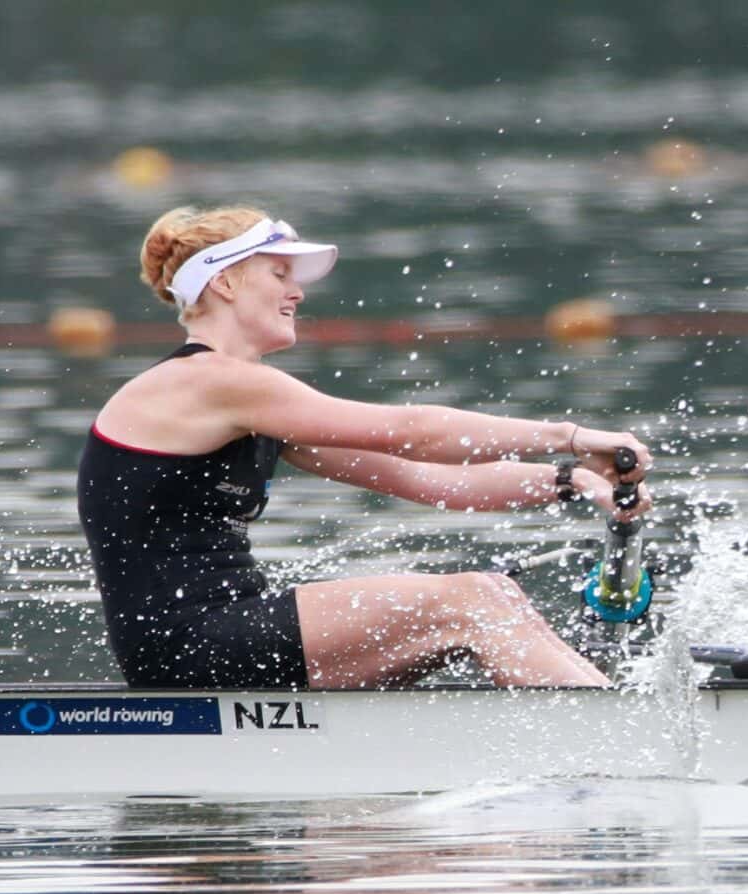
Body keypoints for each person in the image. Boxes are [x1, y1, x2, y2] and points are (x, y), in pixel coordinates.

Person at [78, 205, 649, 689]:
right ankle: (613, 735)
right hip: (188, 645)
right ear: (225, 282)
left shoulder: (249, 402)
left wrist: (574, 479)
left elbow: (434, 480)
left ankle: (598, 711)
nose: (297, 292)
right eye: (279, 275)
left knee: (493, 601)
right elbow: (416, 431)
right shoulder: (209, 381)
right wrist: (568, 434)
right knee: (477, 598)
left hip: (223, 635)